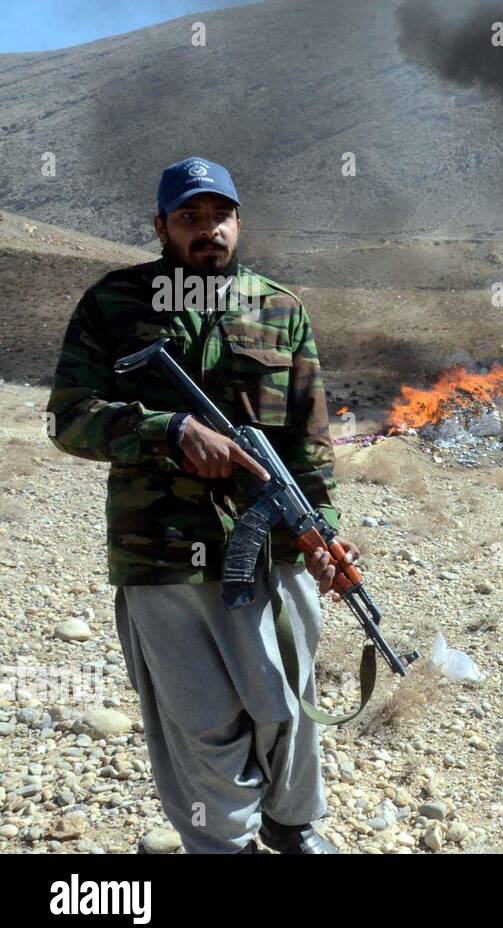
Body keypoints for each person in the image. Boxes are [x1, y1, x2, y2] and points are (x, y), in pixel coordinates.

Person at [45, 156, 357, 854]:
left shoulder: (281, 309)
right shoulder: (112, 304)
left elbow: (308, 441)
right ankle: (225, 843)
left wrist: (324, 534)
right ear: (161, 226)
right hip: (161, 554)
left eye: (220, 216)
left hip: (272, 546)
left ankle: (293, 823)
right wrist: (168, 431)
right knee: (200, 720)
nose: (207, 230)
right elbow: (69, 419)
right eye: (189, 217)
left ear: (239, 222)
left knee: (289, 707)